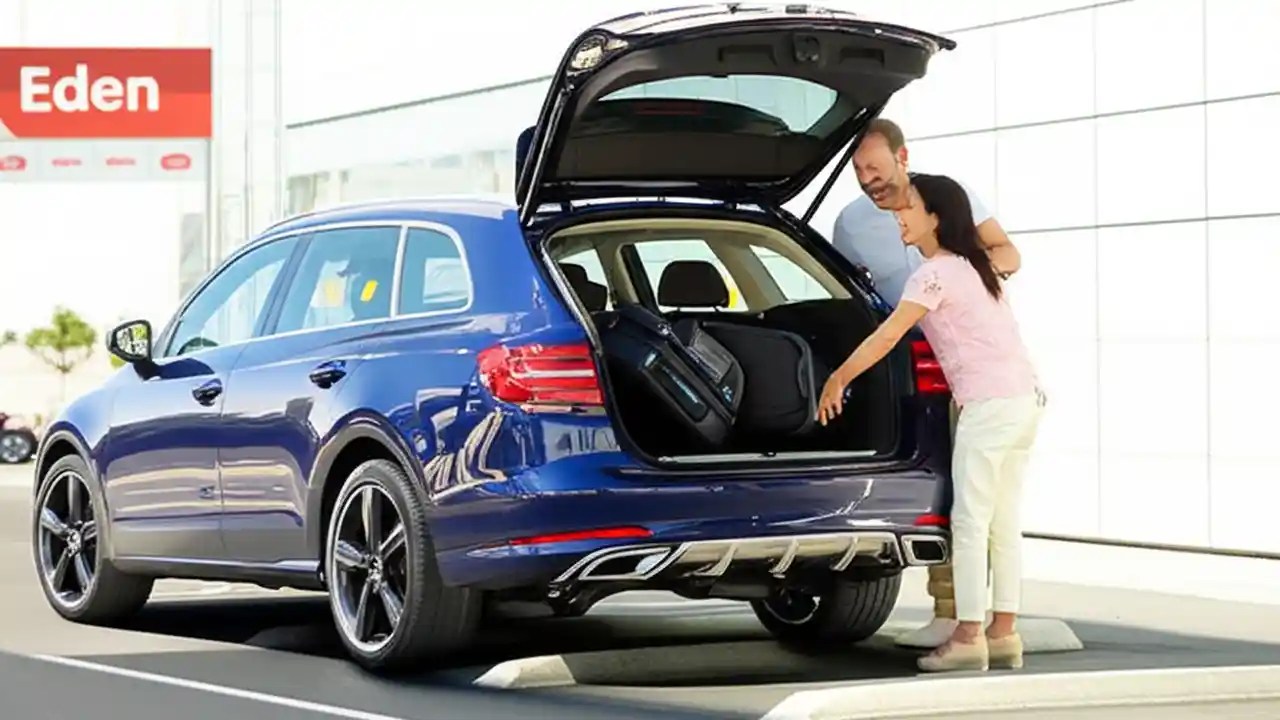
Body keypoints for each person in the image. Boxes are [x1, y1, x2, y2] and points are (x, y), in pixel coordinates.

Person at [816, 173, 1045, 673]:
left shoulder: (933, 275)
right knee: (1002, 524)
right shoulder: (975, 267)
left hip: (987, 406)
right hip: (1023, 399)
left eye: (910, 208)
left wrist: (838, 378)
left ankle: (967, 636)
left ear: (936, 218)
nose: (899, 214)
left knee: (969, 522)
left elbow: (887, 336)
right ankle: (1003, 632)